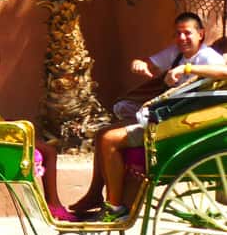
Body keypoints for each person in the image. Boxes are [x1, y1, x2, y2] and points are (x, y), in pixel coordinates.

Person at [71, 12, 226, 221]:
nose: (182, 38)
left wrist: (187, 68)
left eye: (187, 33)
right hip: (168, 118)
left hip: (179, 125)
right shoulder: (177, 53)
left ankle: (115, 206)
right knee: (101, 134)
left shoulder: (207, 56)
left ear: (201, 34)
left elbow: (224, 72)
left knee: (109, 139)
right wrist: (141, 65)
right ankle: (94, 194)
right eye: (178, 33)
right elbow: (150, 63)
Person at [0, 43, 76, 222]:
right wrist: (3, 126)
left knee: (41, 144)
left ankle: (52, 203)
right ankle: (54, 204)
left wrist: (6, 121)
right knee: (50, 152)